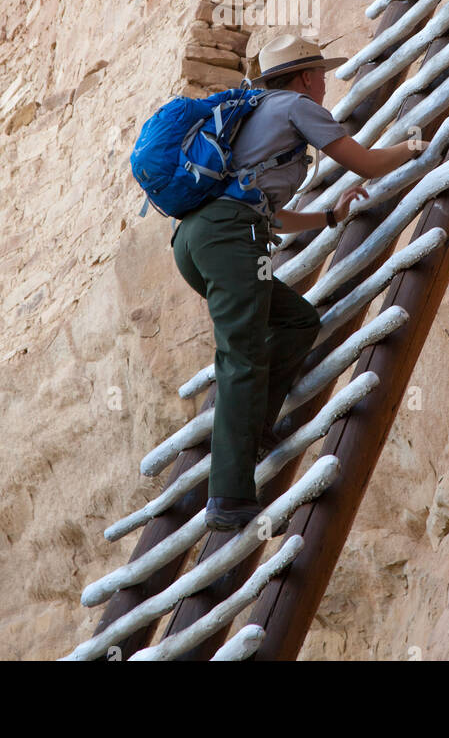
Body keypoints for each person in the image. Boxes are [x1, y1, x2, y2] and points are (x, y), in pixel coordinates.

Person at [171, 33, 422, 532]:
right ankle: (229, 499)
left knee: (296, 320)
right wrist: (416, 144)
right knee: (240, 356)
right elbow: (366, 162)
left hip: (198, 242)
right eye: (322, 75)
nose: (325, 83)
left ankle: (257, 425)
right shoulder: (295, 106)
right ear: (307, 76)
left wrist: (329, 215)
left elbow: (272, 215)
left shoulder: (255, 113)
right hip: (229, 240)